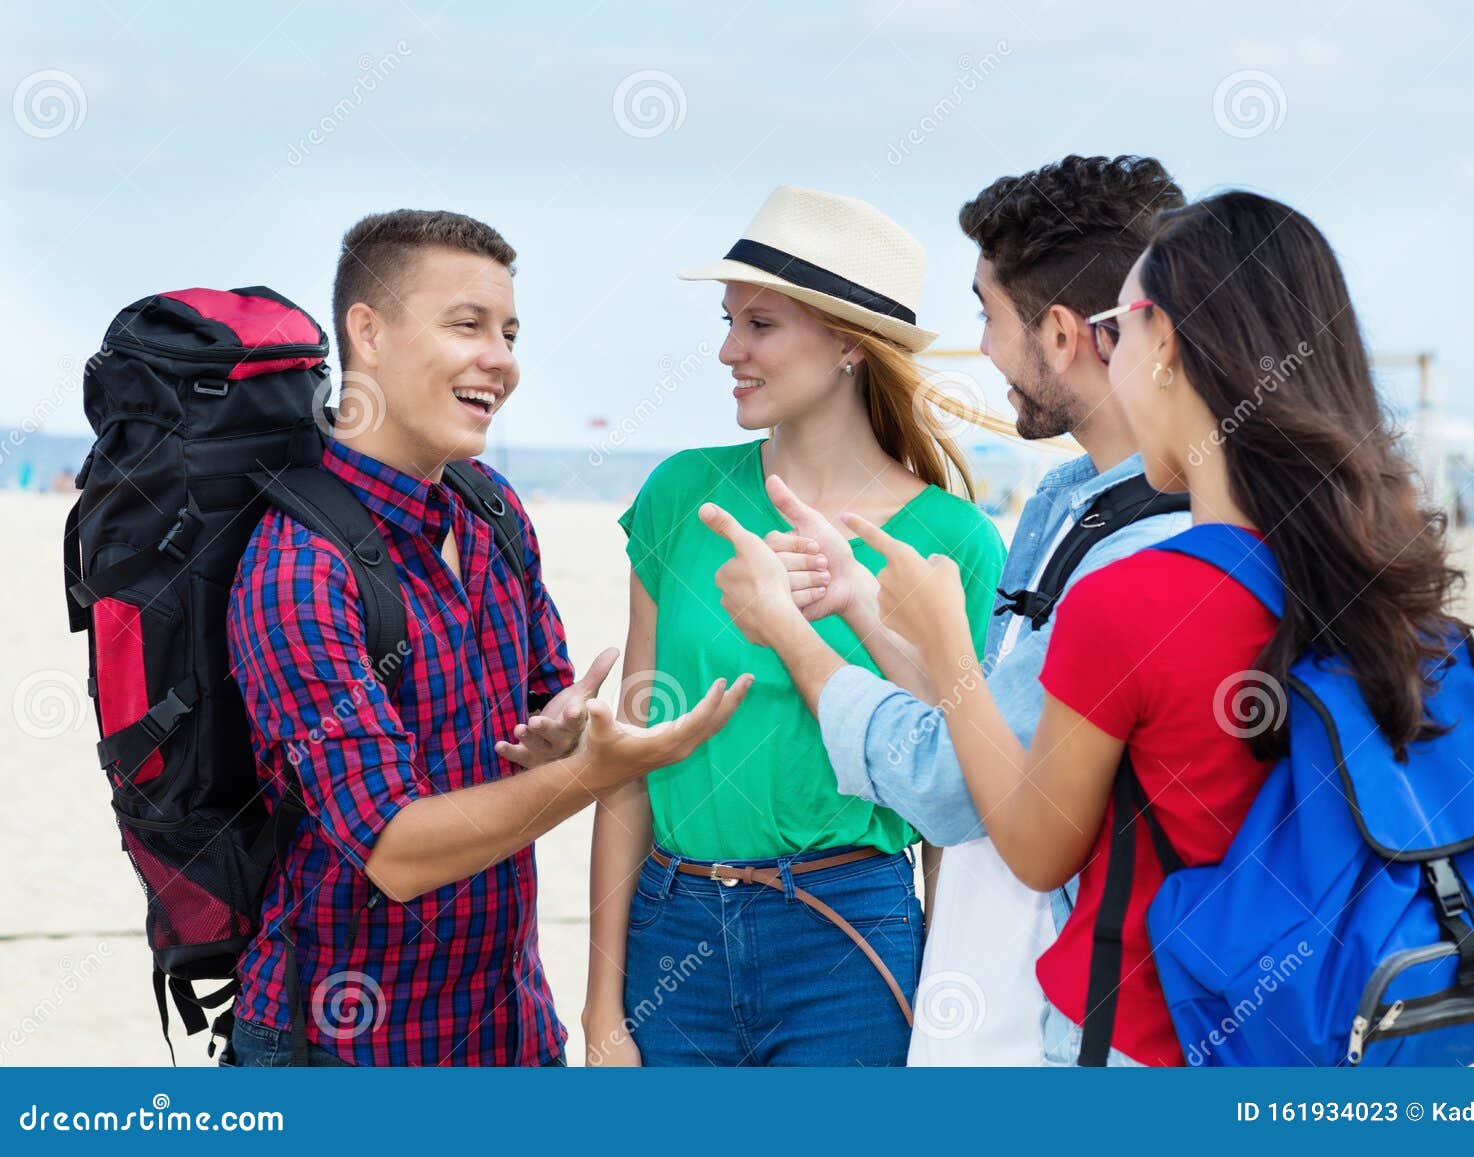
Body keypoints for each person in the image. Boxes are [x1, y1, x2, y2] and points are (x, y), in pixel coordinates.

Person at [854, 189, 1464, 1066]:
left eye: (1125, 328)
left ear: (1165, 345)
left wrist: (947, 645)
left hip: (1150, 1038)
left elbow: (1032, 844)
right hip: (1334, 1031)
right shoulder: (1392, 583)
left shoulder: (1134, 601)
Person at [224, 209, 750, 1067]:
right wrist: (595, 774)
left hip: (510, 1029)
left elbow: (544, 699)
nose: (501, 359)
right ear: (369, 333)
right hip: (349, 1053)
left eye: (508, 331)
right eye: (465, 325)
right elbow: (394, 850)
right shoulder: (300, 569)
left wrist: (561, 734)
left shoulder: (489, 507)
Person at [708, 156, 1191, 1064]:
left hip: (1076, 1028)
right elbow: (999, 732)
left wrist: (791, 635)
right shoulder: (1071, 502)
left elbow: (958, 786)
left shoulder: (1138, 552)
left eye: (986, 314)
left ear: (1056, 333)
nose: (982, 349)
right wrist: (859, 605)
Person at [583, 186, 1005, 1067]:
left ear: (848, 340)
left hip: (850, 938)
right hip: (672, 929)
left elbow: (953, 800)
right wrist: (601, 1012)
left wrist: (948, 1021)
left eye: (761, 324)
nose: (729, 350)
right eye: (729, 320)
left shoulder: (955, 542)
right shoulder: (678, 495)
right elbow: (628, 763)